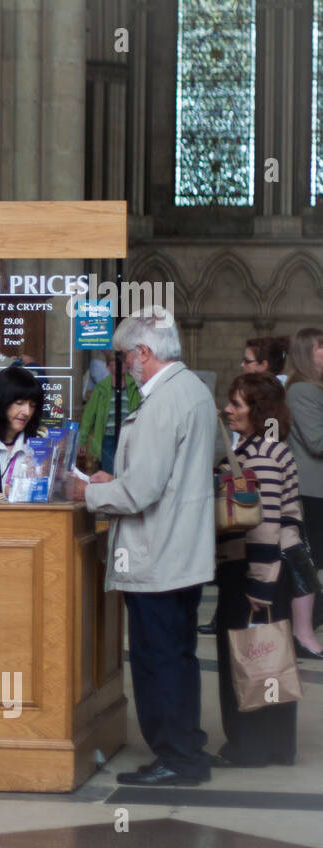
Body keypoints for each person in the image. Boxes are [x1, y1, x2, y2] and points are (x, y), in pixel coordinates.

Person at [69, 306, 218, 786]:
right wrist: (123, 479)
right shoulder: (192, 389)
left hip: (158, 551)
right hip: (182, 550)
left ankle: (176, 758)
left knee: (158, 659)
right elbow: (165, 476)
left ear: (145, 353)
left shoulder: (163, 400)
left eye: (124, 356)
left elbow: (141, 493)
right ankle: (186, 749)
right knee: (177, 655)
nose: (122, 366)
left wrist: (88, 492)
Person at [212, 373, 300, 766]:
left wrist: (260, 585)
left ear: (259, 411)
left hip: (255, 569)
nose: (228, 410)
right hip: (265, 570)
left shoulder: (261, 454)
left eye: (238, 404)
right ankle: (276, 745)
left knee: (248, 657)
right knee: (268, 656)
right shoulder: (265, 446)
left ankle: (249, 747)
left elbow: (266, 524)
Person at [284, 327, 323, 645]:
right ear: (305, 354)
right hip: (312, 489)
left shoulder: (314, 388)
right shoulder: (302, 391)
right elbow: (316, 440)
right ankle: (304, 627)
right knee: (312, 561)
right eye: (321, 347)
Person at [0, 364, 44, 494]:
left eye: (32, 405)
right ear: (0, 402)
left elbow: (72, 481)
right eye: (19, 403)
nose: (27, 411)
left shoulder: (38, 444)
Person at [79, 351, 141, 474]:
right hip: (108, 438)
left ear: (127, 365)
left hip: (130, 437)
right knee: (110, 472)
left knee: (128, 472)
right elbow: (88, 416)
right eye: (115, 362)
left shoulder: (134, 387)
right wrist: (82, 441)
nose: (120, 365)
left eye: (123, 362)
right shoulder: (101, 388)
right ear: (108, 366)